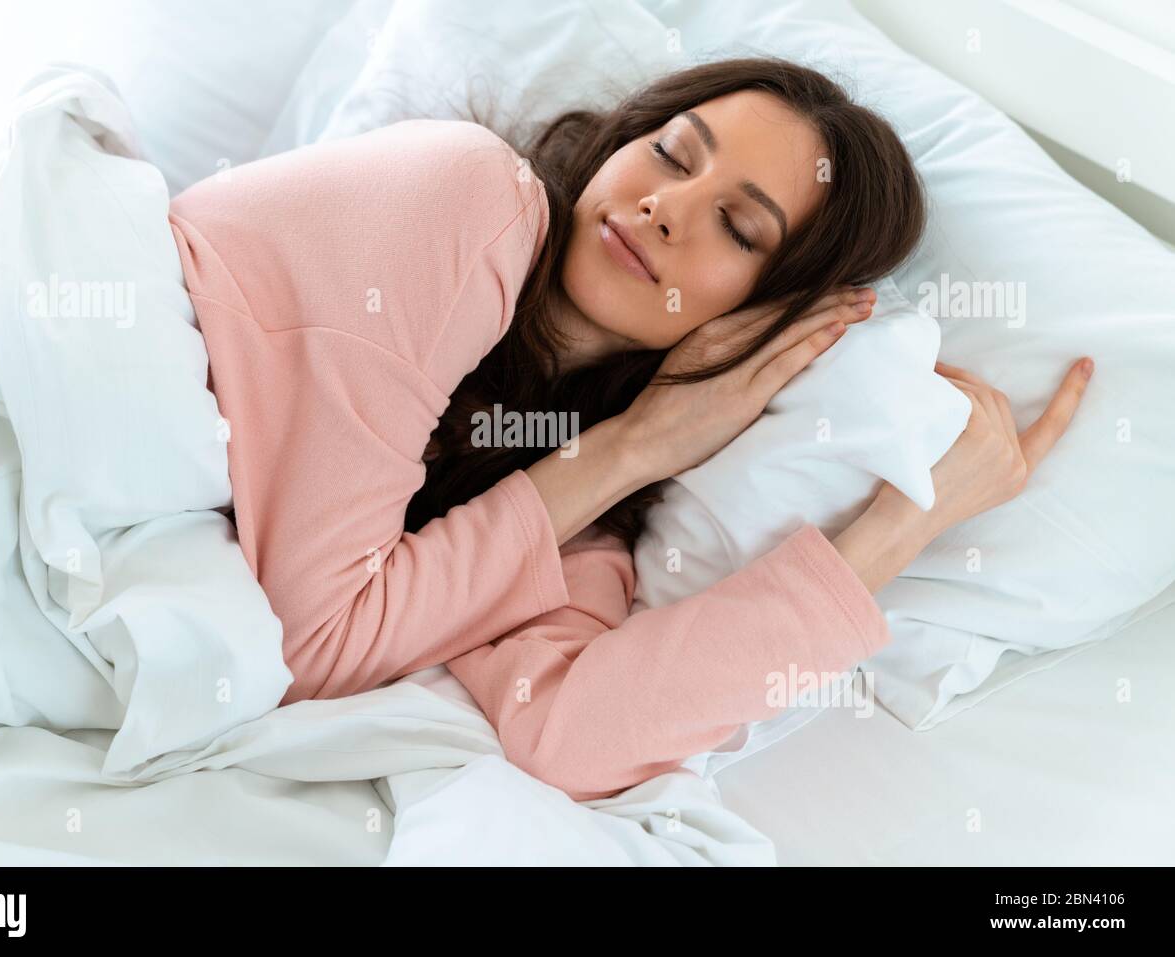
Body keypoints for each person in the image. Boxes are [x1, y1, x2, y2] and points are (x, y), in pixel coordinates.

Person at [168, 58, 1091, 801]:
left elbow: (567, 735)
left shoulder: (594, 503)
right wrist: (621, 449)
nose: (665, 207)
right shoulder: (468, 199)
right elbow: (314, 645)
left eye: (736, 227)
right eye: (672, 153)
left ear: (767, 318)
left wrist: (901, 527)